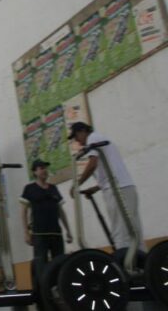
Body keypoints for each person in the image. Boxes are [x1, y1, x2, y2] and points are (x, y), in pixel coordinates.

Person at [69, 121, 144, 250]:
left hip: (117, 189)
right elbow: (110, 170)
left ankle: (126, 261)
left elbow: (93, 164)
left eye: (76, 137)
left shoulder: (93, 138)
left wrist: (76, 184)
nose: (77, 141)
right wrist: (97, 187)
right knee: (132, 227)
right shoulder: (100, 139)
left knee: (120, 229)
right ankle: (142, 259)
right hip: (123, 187)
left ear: (82, 131)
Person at [20, 159, 73, 290]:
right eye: (40, 168)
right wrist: (26, 232)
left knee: (60, 265)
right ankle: (44, 296)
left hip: (56, 233)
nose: (44, 170)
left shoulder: (54, 188)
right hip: (39, 234)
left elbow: (61, 211)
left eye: (45, 168)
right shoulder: (29, 189)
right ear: (34, 172)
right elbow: (23, 211)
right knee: (41, 267)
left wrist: (68, 230)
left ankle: (60, 292)